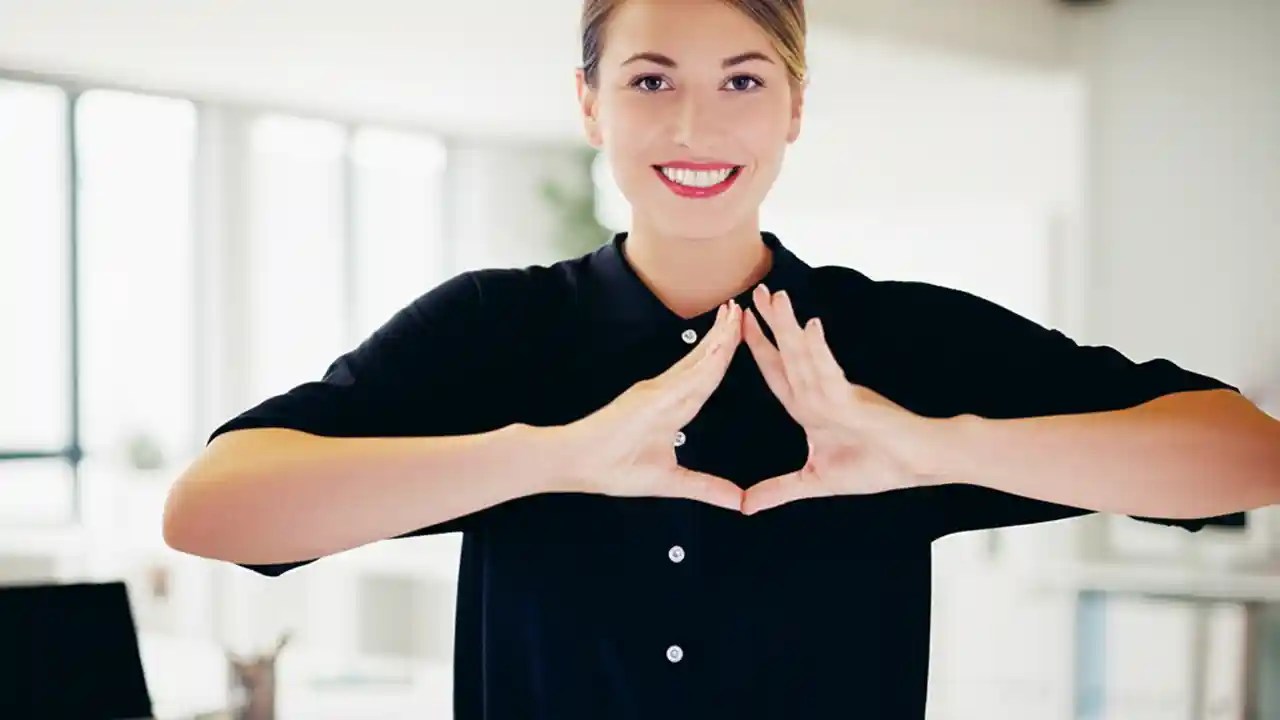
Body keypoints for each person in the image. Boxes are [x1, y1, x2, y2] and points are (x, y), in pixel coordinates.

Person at [164, 1, 1272, 718]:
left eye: (743, 81)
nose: (694, 124)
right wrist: (546, 456)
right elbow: (212, 512)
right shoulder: (494, 332)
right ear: (589, 103)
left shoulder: (893, 341)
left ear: (794, 107)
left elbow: (1242, 460)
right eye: (649, 80)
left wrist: (924, 445)